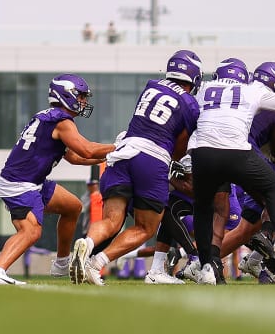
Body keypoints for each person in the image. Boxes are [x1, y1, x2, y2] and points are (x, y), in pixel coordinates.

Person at [188, 58, 275, 285]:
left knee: (205, 210)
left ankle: (205, 268)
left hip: (202, 152)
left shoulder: (204, 89)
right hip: (236, 151)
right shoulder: (250, 90)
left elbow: (186, 111)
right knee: (274, 187)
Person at [70, 50, 202, 287]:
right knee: (145, 227)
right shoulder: (190, 103)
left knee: (111, 221)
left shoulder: (151, 86)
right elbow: (181, 143)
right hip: (151, 158)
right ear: (194, 77)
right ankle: (96, 264)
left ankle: (87, 244)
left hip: (122, 151)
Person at [0, 74, 114, 286]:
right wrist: (122, 146)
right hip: (19, 185)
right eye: (80, 96)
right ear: (66, 95)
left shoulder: (50, 117)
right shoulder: (62, 121)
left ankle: (61, 263)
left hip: (32, 182)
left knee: (72, 207)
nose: (84, 101)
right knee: (31, 231)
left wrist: (110, 156)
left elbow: (75, 157)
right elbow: (87, 149)